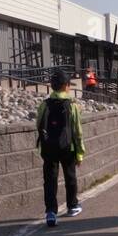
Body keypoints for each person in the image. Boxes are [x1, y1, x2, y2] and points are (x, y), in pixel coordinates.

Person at [36, 69, 85, 227]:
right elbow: (77, 131)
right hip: (67, 147)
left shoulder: (44, 104)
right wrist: (80, 153)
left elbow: (39, 125)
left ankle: (51, 212)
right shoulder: (72, 105)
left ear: (52, 86)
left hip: (49, 148)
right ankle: (72, 206)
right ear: (67, 86)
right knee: (70, 177)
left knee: (50, 180)